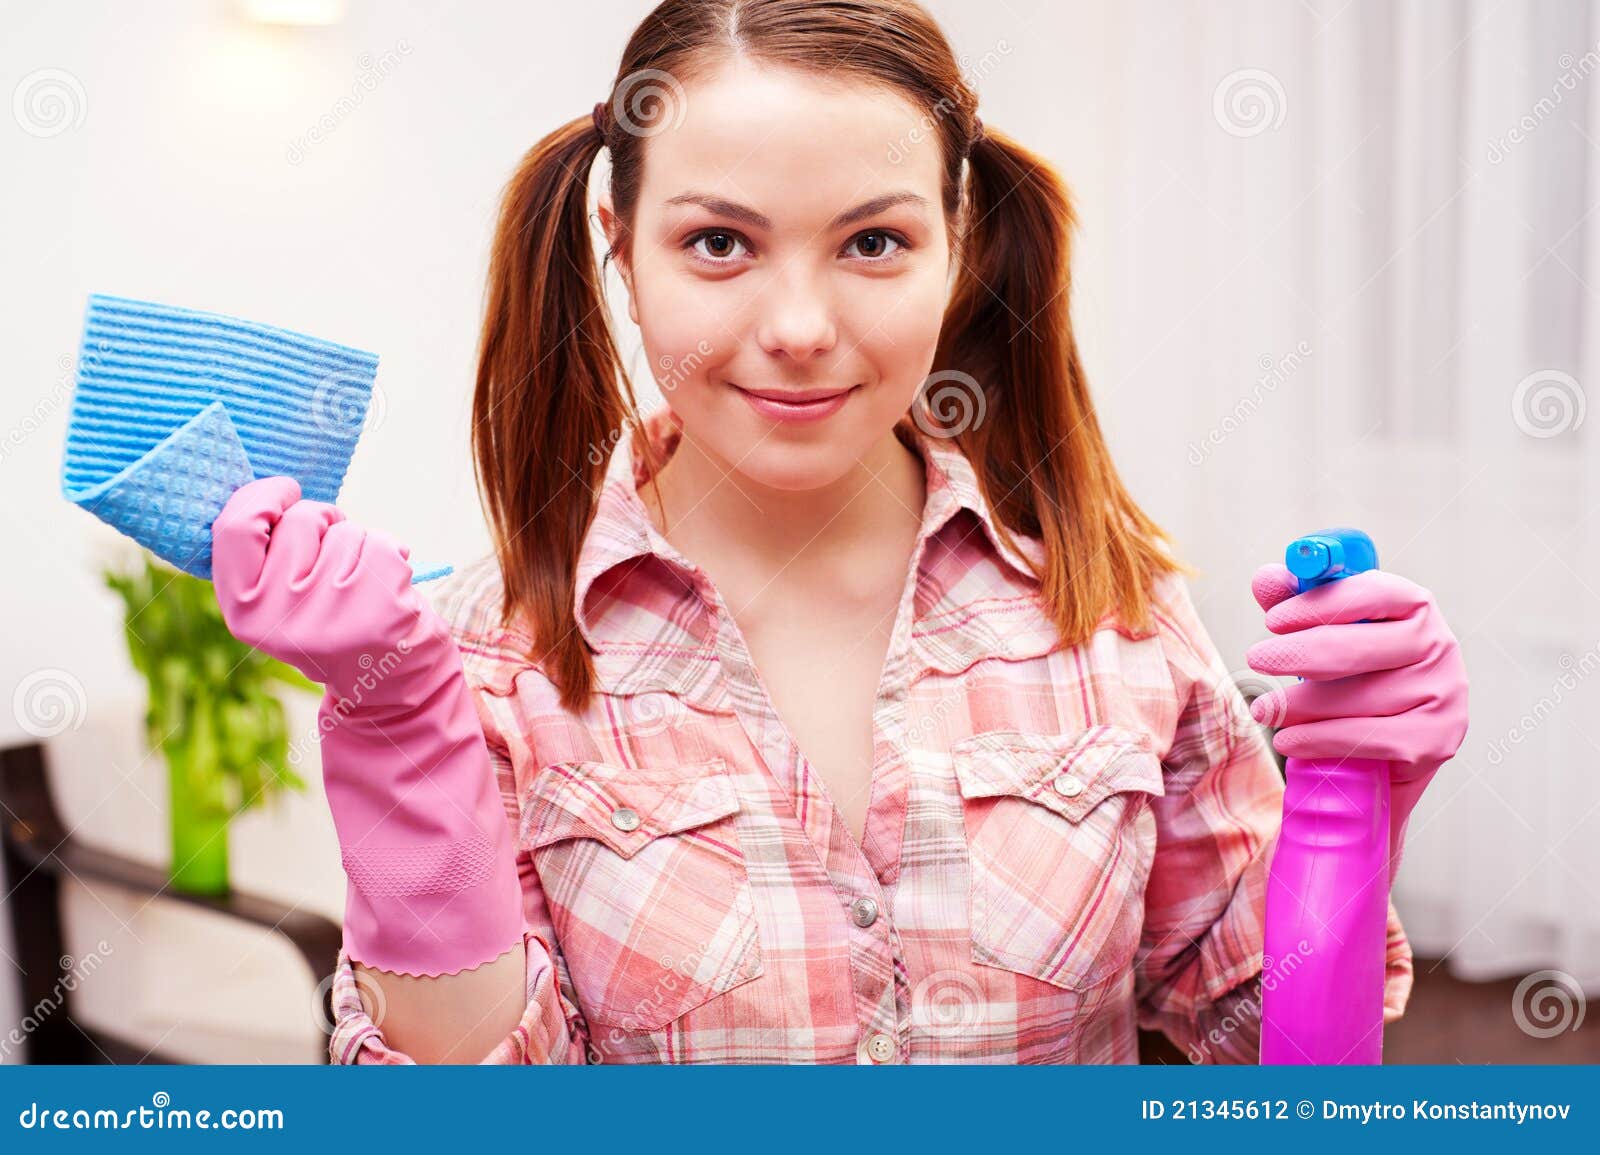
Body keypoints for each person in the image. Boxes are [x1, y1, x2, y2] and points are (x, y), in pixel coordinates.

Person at [210, 0, 1468, 1065]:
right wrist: (397, 737)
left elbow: (1281, 1052)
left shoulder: (1109, 608)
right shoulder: (495, 659)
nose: (801, 325)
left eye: (873, 241)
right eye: (718, 244)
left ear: (954, 244)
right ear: (621, 251)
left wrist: (1353, 807)